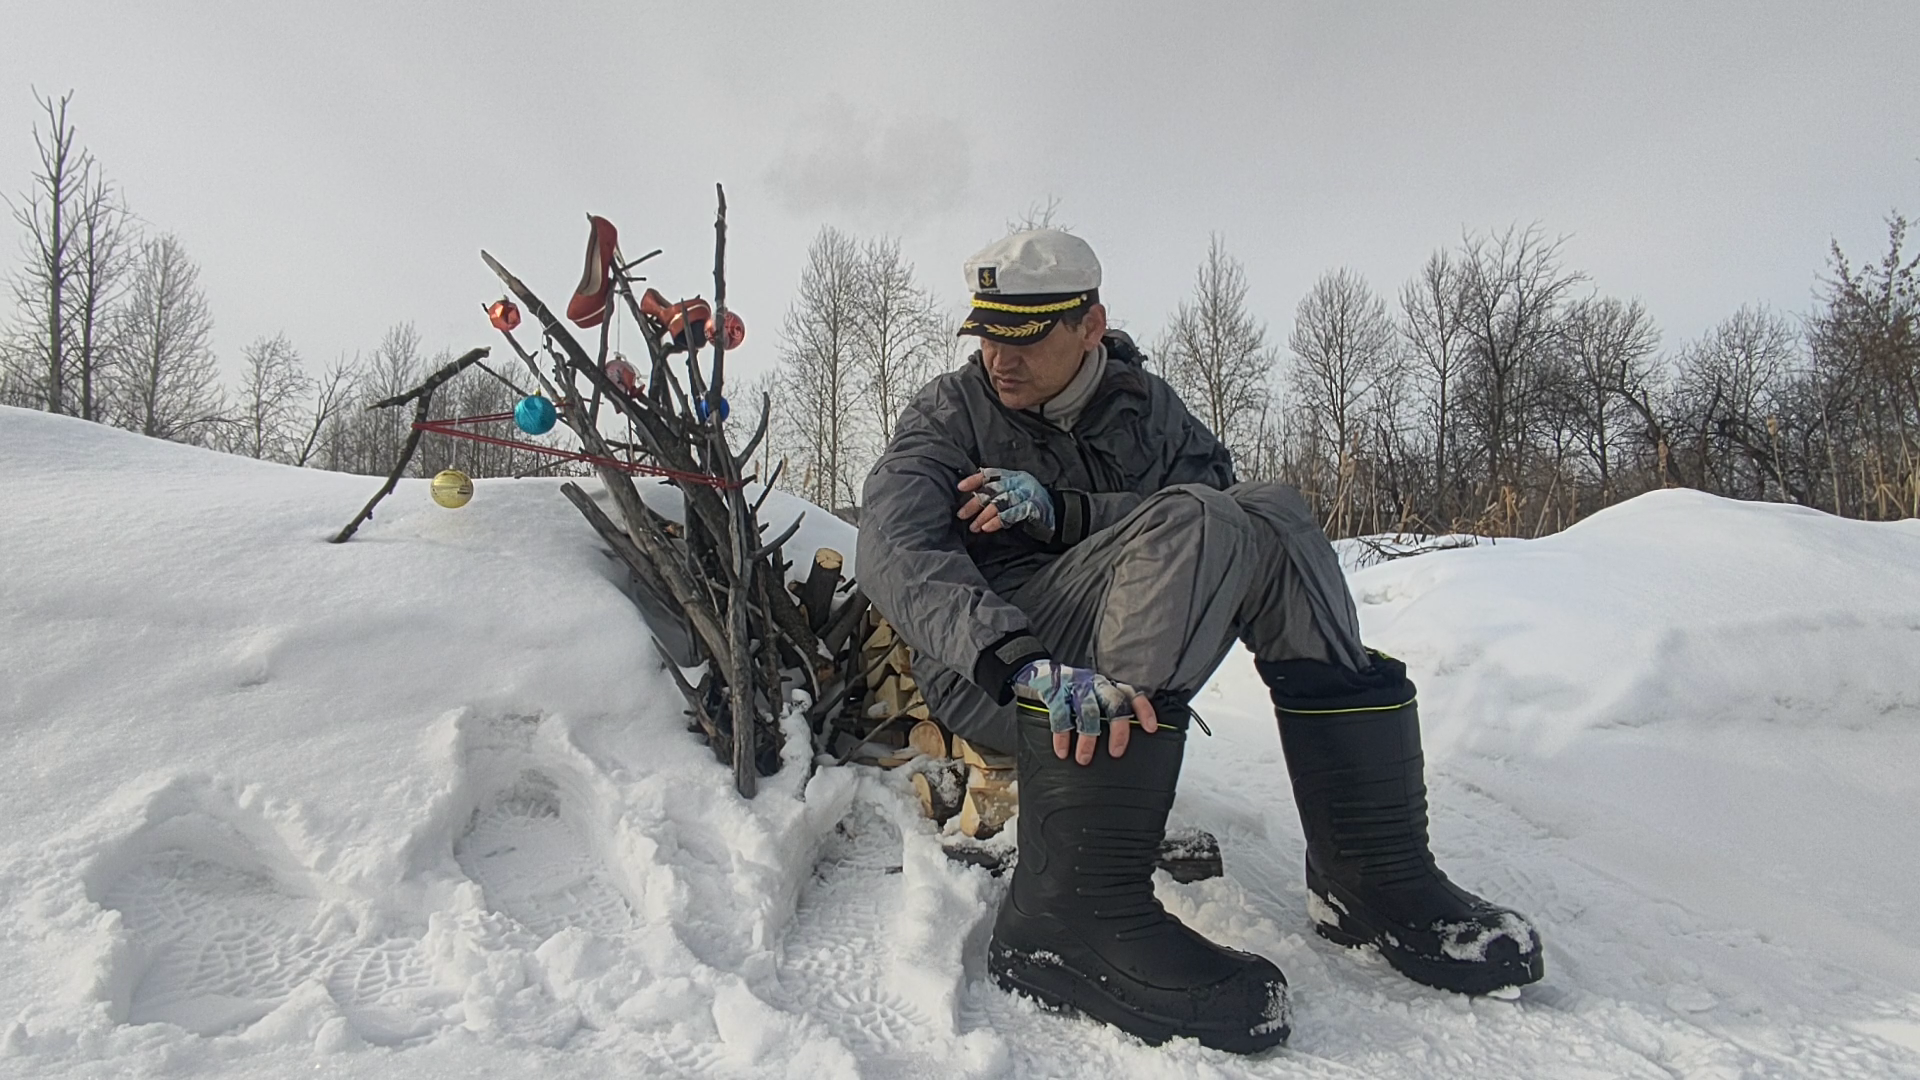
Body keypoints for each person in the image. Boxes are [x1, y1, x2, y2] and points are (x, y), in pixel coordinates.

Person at [857, 229, 1543, 1053]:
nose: (1000, 356)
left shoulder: (1147, 410)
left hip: (1113, 656)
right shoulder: (950, 411)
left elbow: (1225, 521)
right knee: (1204, 514)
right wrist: (1017, 659)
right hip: (1005, 675)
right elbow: (893, 547)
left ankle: (1368, 875)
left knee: (1276, 513)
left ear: (1089, 324)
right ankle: (1067, 914)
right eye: (988, 332)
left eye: (1027, 333)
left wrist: (1069, 510)